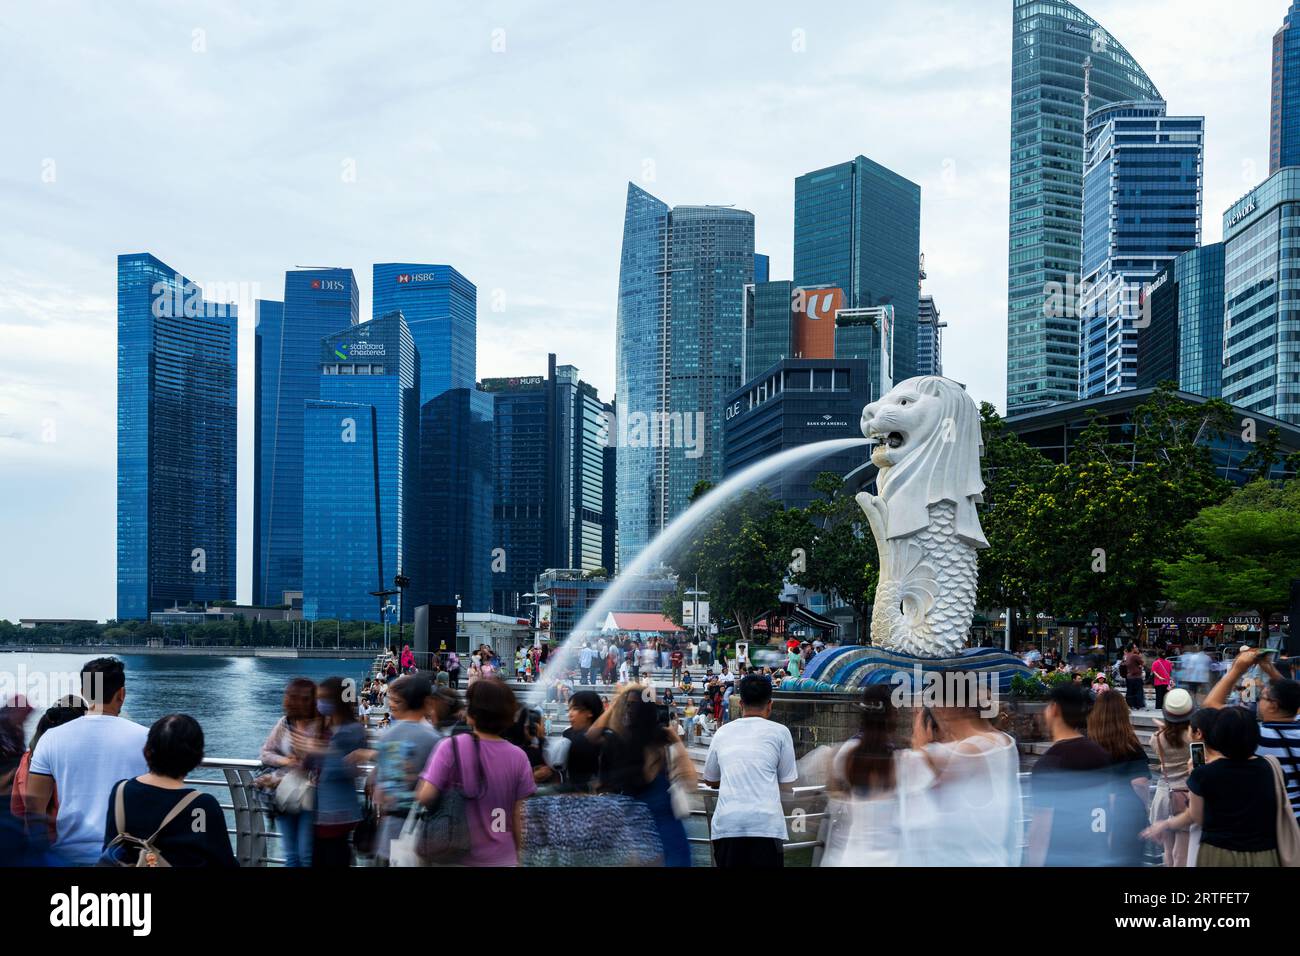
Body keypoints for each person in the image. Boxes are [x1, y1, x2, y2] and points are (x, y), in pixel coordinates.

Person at [24, 657, 149, 865]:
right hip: (127, 856)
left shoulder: (51, 738)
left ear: (84, 692)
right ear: (122, 694)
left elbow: (33, 807)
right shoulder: (147, 738)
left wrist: (42, 855)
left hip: (68, 856)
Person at [416, 678, 536, 866]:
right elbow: (519, 816)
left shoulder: (449, 747)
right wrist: (519, 856)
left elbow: (425, 796)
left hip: (455, 855)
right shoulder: (519, 757)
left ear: (472, 715)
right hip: (502, 858)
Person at [821, 685, 936, 867]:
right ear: (893, 714)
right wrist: (919, 725)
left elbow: (836, 794)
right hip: (892, 858)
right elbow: (930, 777)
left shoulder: (845, 755)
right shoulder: (905, 761)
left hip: (852, 857)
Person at [100, 714, 236, 867]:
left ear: (147, 751)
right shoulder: (203, 806)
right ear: (196, 759)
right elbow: (223, 861)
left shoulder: (121, 791)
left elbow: (110, 848)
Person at [590, 684, 696, 867]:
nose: (630, 709)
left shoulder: (662, 741)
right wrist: (619, 699)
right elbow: (592, 735)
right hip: (637, 841)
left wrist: (677, 741)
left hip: (666, 839)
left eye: (634, 705)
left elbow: (691, 780)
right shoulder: (621, 741)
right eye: (627, 705)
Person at [702, 675, 797, 868]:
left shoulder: (722, 732)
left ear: (741, 703)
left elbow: (710, 779)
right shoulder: (780, 732)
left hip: (728, 826)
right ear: (770, 704)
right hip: (766, 827)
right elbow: (787, 783)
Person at [1025, 683, 1111, 867]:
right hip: (1097, 855)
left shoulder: (1049, 763)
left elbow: (1041, 828)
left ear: (1055, 709)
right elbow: (1109, 809)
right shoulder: (1101, 754)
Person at [1186, 706, 1283, 866]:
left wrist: (1194, 778)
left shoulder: (1203, 774)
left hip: (1218, 853)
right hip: (1264, 853)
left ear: (1219, 736)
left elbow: (1198, 817)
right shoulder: (1272, 768)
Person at [367, 675, 438, 863]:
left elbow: (380, 793)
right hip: (420, 833)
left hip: (388, 833)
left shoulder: (386, 735)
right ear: (426, 701)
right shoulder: (434, 739)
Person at [257, 677, 322, 867]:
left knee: (305, 853)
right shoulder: (285, 723)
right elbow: (265, 753)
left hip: (311, 793)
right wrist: (285, 760)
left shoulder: (321, 724)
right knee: (292, 854)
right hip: (285, 790)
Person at [303, 677, 367, 867]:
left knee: (334, 855)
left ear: (337, 701)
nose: (319, 703)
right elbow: (310, 763)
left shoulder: (353, 730)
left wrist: (321, 750)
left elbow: (348, 768)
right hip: (318, 810)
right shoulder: (323, 727)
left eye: (324, 698)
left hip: (337, 812)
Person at [9, 694, 86, 843]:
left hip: (36, 846)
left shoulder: (28, 758)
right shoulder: (76, 761)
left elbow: (17, 809)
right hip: (69, 844)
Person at [1087, 690, 1151, 865]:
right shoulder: (1130, 745)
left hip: (1096, 811)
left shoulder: (1088, 744)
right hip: (1127, 812)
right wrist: (1145, 808)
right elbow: (1140, 783)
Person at [1144, 688, 1194, 866]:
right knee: (1182, 851)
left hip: (1164, 794)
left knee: (1168, 851)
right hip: (1186, 796)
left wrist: (1164, 729)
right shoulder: (1196, 738)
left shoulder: (1156, 738)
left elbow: (1169, 739)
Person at [562, 691, 605, 792]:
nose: (570, 714)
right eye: (569, 709)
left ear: (590, 712)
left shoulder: (603, 738)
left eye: (575, 709)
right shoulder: (567, 734)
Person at [1123, 644, 1146, 711]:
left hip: (1129, 676)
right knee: (1139, 691)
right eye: (1135, 647)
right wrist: (1140, 664)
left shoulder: (1126, 656)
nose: (1136, 648)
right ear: (1132, 648)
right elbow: (1143, 663)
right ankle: (1139, 705)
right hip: (1136, 676)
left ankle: (1131, 705)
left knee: (1130, 691)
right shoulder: (1135, 656)